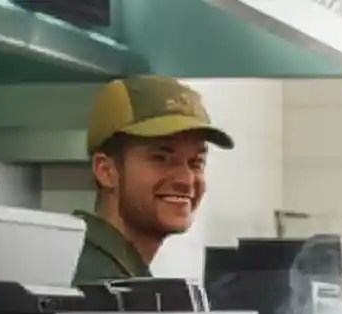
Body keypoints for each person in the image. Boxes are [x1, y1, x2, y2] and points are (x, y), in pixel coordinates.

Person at [72, 75, 233, 285]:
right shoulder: (95, 283)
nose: (185, 180)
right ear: (106, 171)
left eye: (196, 162)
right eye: (161, 158)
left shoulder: (120, 274)